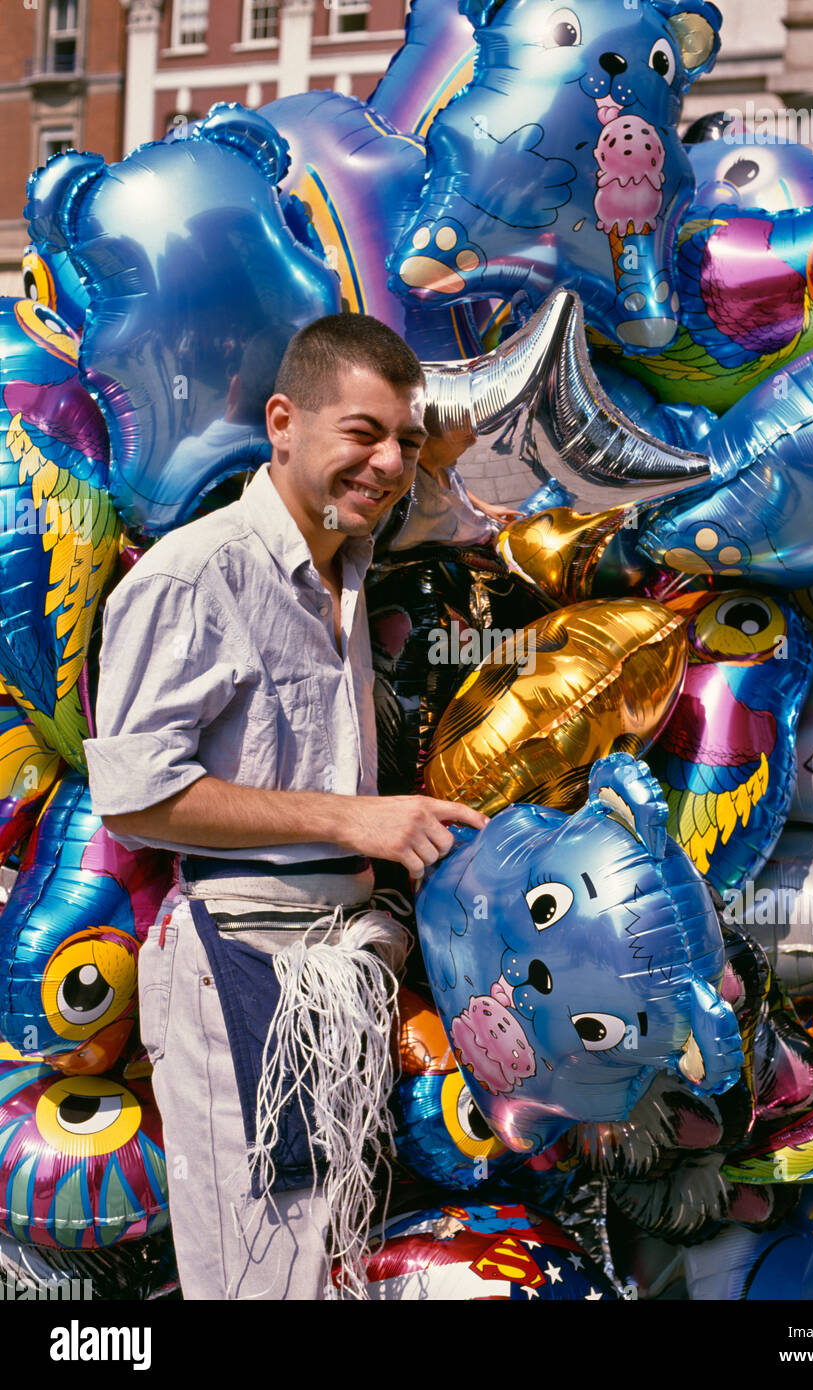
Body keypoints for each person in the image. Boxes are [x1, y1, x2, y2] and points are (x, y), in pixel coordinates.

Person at [83, 314, 487, 1301]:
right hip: (243, 969)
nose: (388, 460)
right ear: (281, 421)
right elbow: (136, 796)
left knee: (322, 1264)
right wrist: (356, 820)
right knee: (264, 1279)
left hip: (335, 972)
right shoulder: (197, 572)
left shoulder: (349, 557)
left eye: (402, 436)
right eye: (361, 431)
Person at [380, 417, 521, 552]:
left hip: (486, 526)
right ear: (419, 446)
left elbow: (456, 487)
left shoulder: (442, 464)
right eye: (465, 438)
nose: (473, 441)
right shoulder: (410, 513)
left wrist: (484, 506)